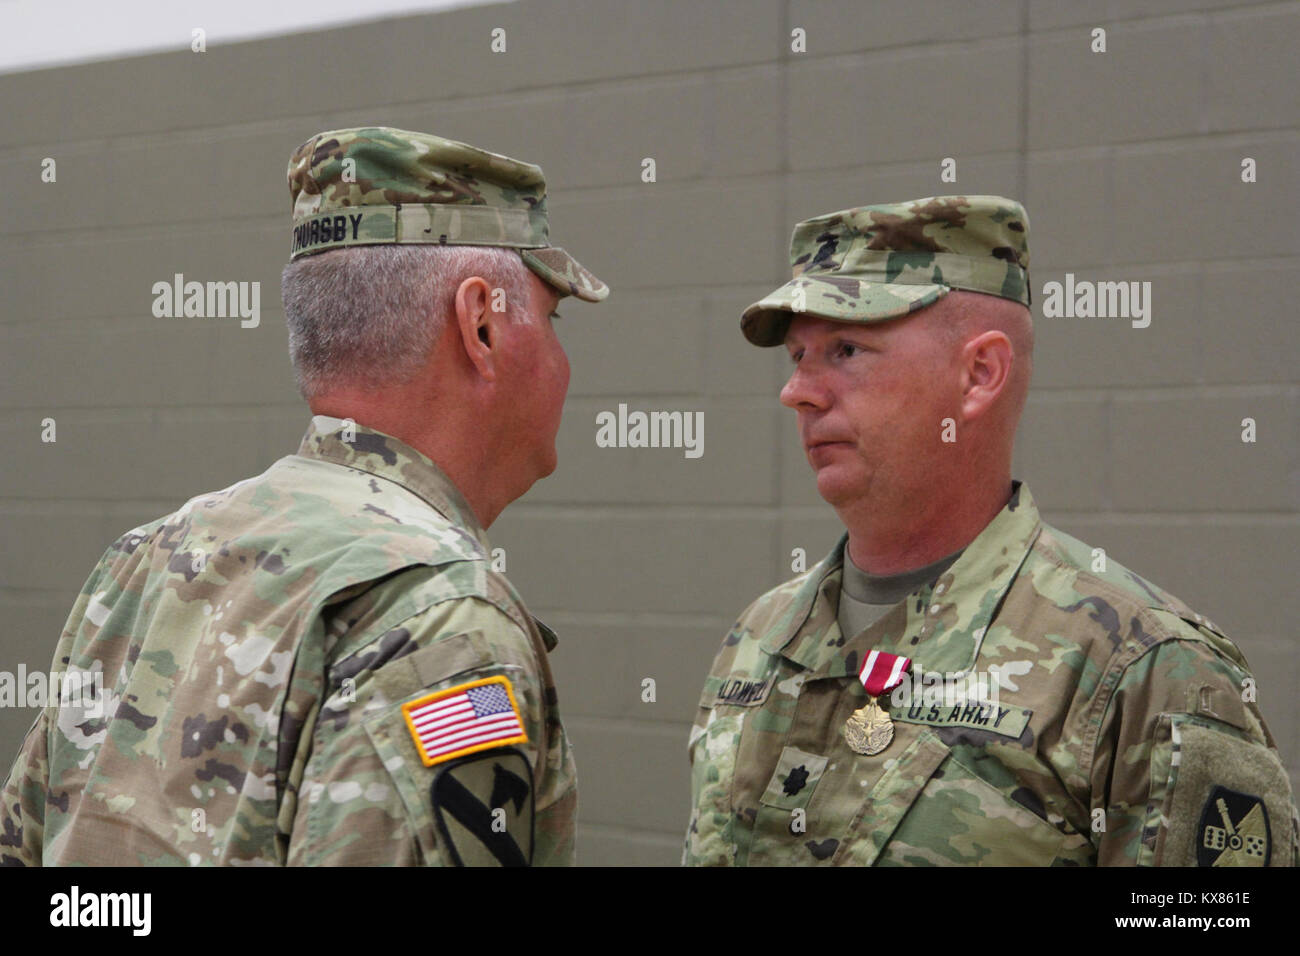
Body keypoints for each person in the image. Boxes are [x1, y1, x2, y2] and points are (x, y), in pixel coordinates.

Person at [0, 127, 608, 866]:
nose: (561, 356)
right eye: (553, 317)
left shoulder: (144, 561)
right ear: (480, 323)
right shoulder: (444, 623)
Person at [683, 195, 1297, 867]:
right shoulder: (761, 637)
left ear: (979, 375)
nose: (797, 391)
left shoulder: (1141, 671)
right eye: (798, 356)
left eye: (846, 350)